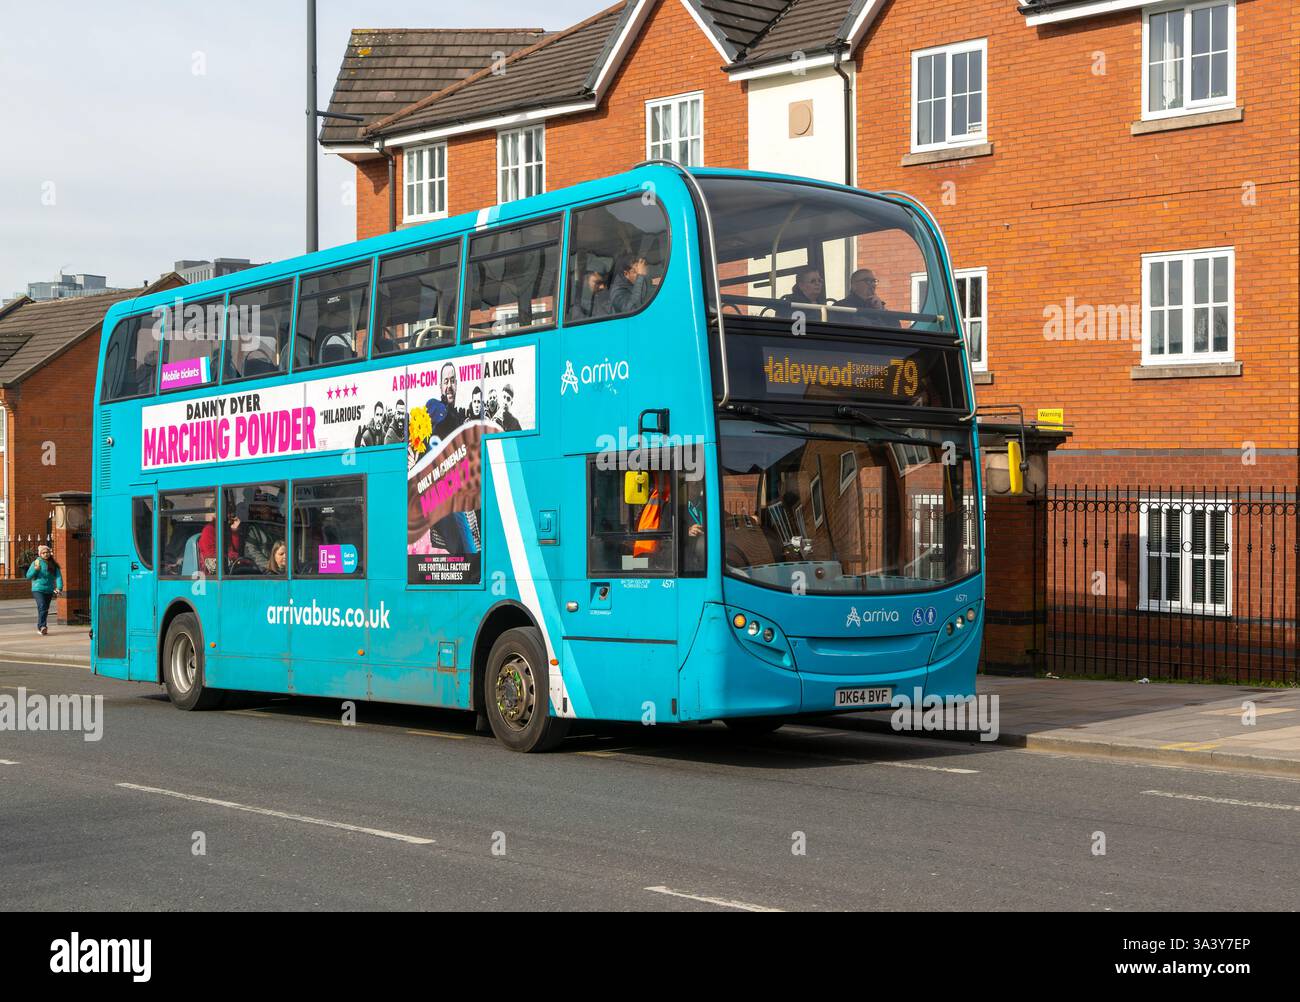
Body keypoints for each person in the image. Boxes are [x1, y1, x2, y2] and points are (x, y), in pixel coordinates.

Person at [25, 544, 62, 635]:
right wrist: (35, 570)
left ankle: (40, 627)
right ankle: (42, 626)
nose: (46, 554)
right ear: (40, 554)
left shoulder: (53, 564)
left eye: (47, 552)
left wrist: (59, 587)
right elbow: (28, 576)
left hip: (49, 589)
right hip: (38, 589)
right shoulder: (36, 563)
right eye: (43, 553)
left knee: (44, 609)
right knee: (42, 606)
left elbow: (58, 577)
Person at [198, 511, 241, 575]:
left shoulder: (225, 528)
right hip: (213, 575)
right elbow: (211, 555)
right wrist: (235, 556)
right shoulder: (209, 529)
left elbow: (235, 549)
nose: (230, 515)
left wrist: (234, 531)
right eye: (228, 512)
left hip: (229, 568)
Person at [433, 362, 465, 440]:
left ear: (456, 384)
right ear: (441, 387)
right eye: (446, 382)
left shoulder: (462, 419)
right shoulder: (434, 420)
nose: (449, 386)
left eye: (452, 381)